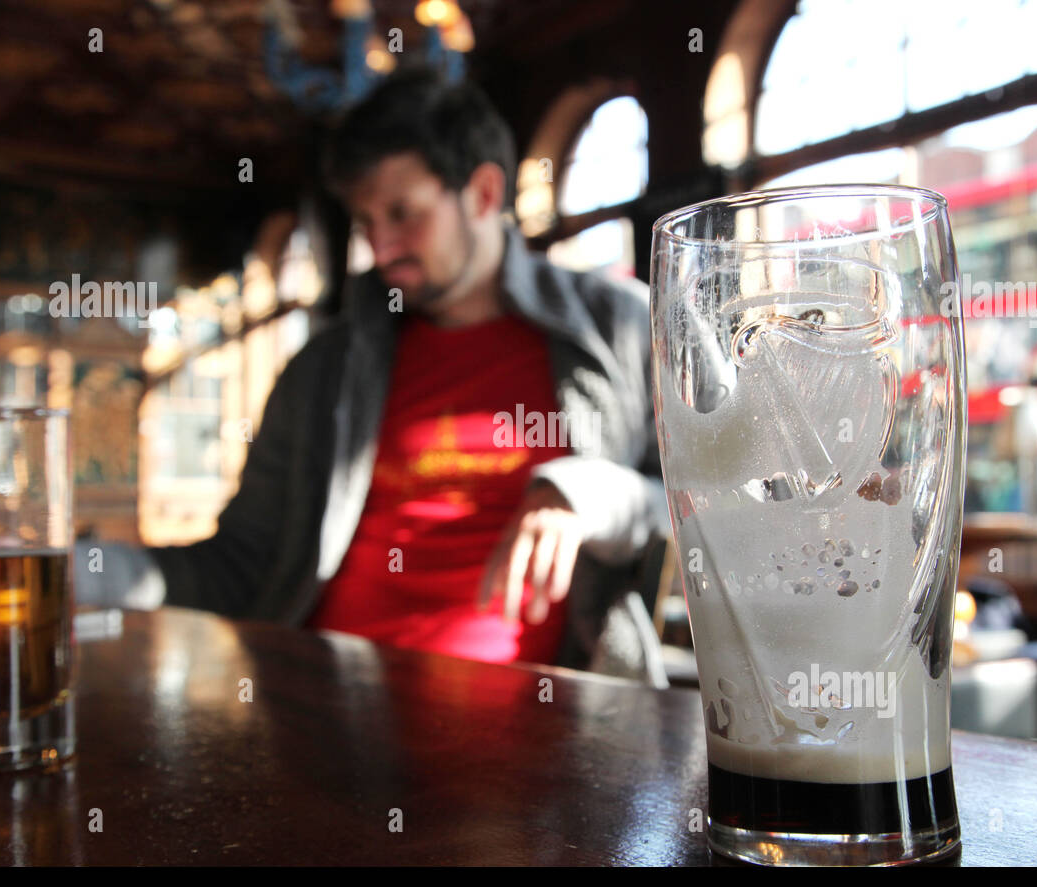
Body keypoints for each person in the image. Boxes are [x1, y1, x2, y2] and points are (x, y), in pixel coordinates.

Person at [76, 67, 670, 685]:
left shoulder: (621, 329)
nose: (381, 248)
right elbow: (238, 565)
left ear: (485, 194)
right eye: (365, 223)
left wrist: (590, 495)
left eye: (402, 214)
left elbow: (714, 507)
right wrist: (81, 572)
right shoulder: (322, 370)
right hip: (323, 713)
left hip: (545, 729)